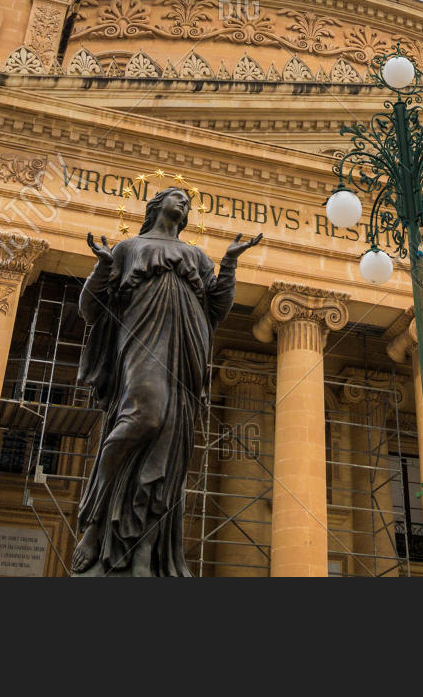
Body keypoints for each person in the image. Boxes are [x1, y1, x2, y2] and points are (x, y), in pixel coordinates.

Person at [72, 186, 262, 576]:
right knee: (146, 415)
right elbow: (91, 309)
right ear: (156, 205)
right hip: (142, 341)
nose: (184, 203)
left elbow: (217, 310)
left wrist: (228, 265)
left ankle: (148, 552)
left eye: (188, 202)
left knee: (172, 444)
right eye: (177, 197)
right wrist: (102, 267)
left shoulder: (197, 256)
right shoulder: (128, 248)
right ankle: (94, 522)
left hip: (187, 351)